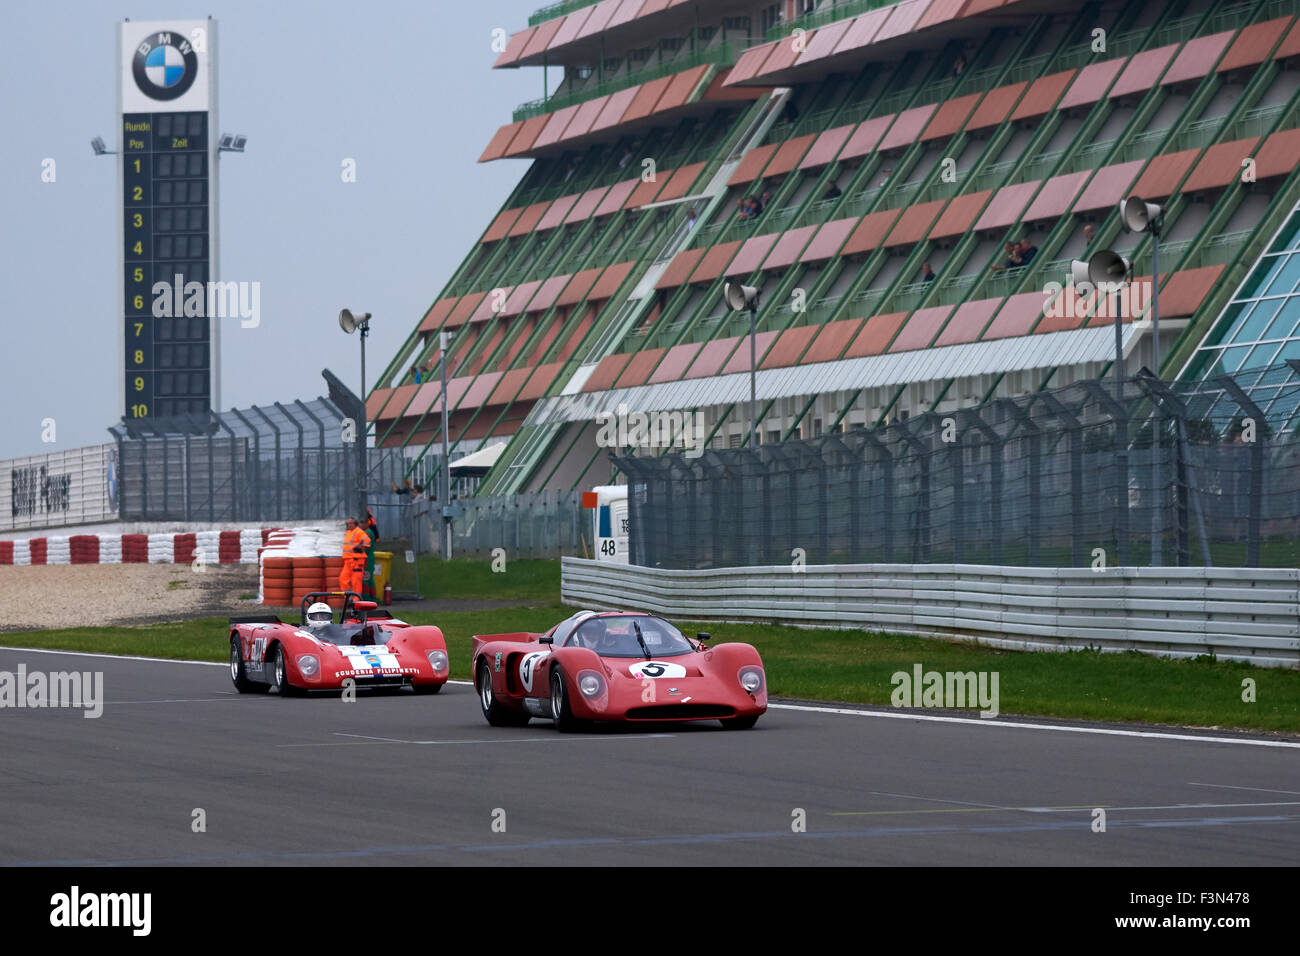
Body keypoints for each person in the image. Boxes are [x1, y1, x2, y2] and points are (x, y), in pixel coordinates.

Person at [340, 516, 370, 596]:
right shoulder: (349, 532)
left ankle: (356, 602)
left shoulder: (358, 532)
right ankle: (348, 598)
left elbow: (367, 541)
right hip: (348, 561)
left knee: (356, 582)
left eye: (351, 523)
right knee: (343, 579)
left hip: (356, 561)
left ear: (355, 524)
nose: (349, 525)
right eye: (348, 523)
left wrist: (361, 548)